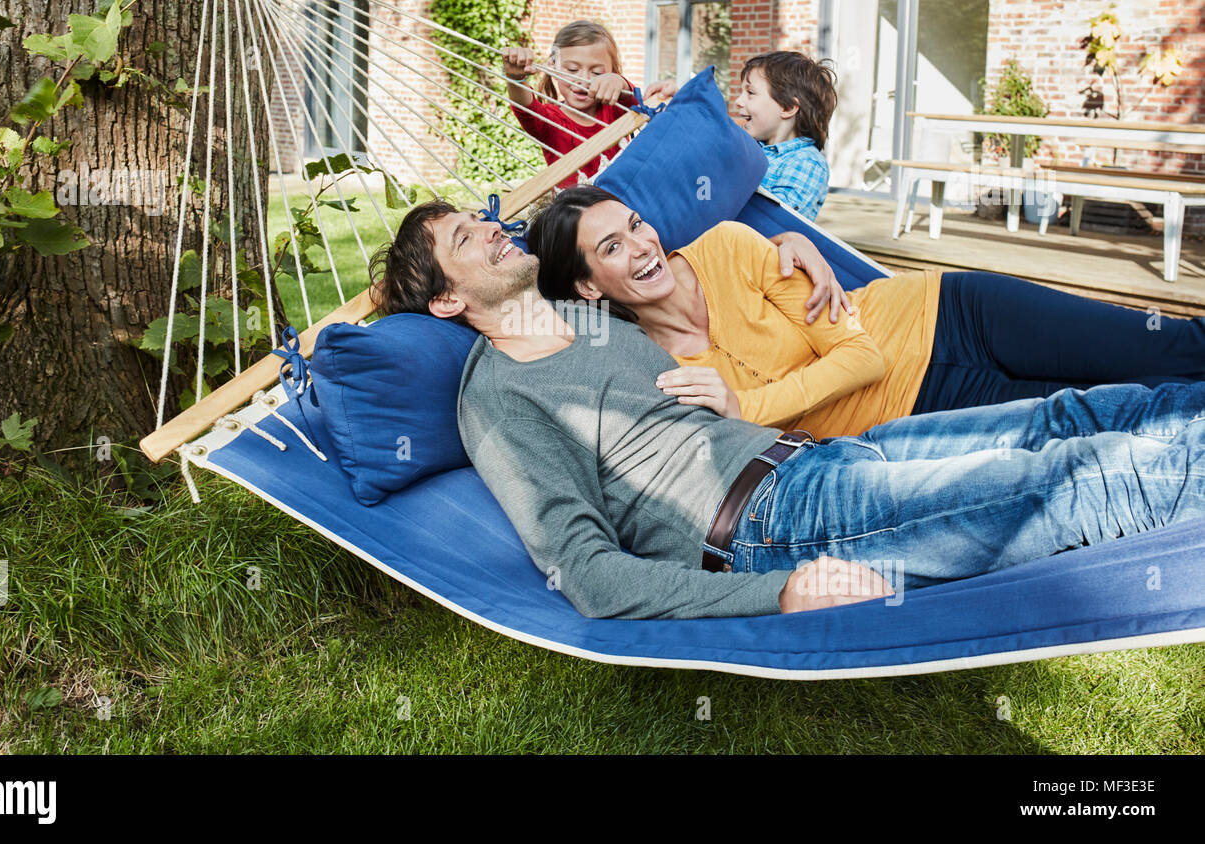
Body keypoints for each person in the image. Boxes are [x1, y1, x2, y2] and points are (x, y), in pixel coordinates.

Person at [366, 200, 1205, 619]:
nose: (487, 229)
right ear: (446, 303)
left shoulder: (594, 317)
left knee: (1076, 416)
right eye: (462, 239)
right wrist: (775, 594)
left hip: (828, 455)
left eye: (481, 218)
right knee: (1057, 480)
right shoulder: (499, 397)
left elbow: (691, 278)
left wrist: (791, 247)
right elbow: (585, 573)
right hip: (773, 523)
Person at [525, 186, 1205, 437]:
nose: (642, 246)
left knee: (1167, 347)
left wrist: (747, 407)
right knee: (1129, 410)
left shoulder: (729, 248)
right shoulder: (658, 368)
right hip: (926, 408)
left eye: (636, 225)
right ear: (590, 287)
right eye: (611, 248)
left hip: (952, 311)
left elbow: (861, 354)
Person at [501, 21, 675, 189]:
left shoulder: (617, 109)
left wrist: (620, 82)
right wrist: (515, 79)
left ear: (611, 72)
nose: (583, 80)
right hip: (573, 215)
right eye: (572, 70)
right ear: (552, 66)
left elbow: (639, 103)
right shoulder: (550, 121)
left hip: (622, 207)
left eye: (597, 72)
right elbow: (525, 108)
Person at [736, 51, 837, 221]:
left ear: (788, 107)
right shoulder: (748, 147)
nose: (739, 101)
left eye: (750, 93)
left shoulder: (807, 162)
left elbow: (769, 222)